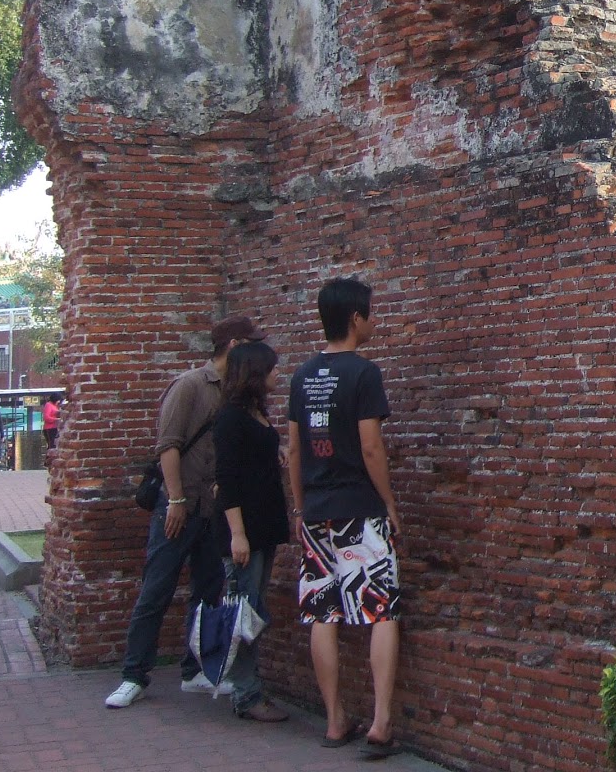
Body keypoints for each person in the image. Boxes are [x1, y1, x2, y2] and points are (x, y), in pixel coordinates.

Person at [105, 316, 265, 709]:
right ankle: (133, 674)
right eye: (248, 342)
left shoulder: (237, 392)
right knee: (156, 589)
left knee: (208, 591)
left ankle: (195, 669)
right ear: (231, 344)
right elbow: (169, 446)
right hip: (179, 505)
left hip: (213, 511)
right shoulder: (191, 385)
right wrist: (175, 499)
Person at [287, 277, 402, 757]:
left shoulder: (303, 376)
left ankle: (335, 720)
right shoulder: (363, 373)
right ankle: (380, 723)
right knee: (381, 608)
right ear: (355, 319)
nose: (373, 321)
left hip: (316, 510)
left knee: (323, 611)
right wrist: (389, 502)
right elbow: (371, 446)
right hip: (360, 508)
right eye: (370, 313)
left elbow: (293, 449)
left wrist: (299, 505)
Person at [213, 340, 290, 722]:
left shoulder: (257, 413)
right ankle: (245, 693)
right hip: (247, 530)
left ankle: (248, 689)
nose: (278, 374)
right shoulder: (230, 418)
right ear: (256, 374)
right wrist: (237, 535)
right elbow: (226, 479)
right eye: (273, 368)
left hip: (265, 524)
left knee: (254, 608)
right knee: (247, 611)